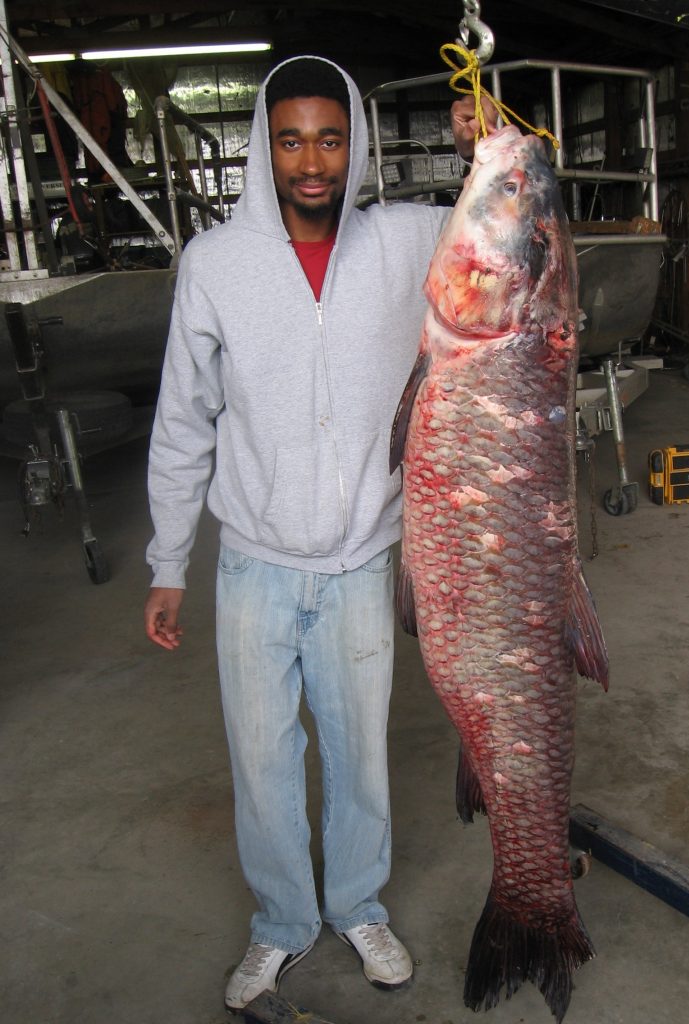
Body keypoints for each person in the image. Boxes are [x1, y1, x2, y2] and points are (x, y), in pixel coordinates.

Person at [144, 54, 492, 1013]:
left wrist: (487, 144)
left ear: (357, 147)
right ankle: (282, 924)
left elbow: (507, 221)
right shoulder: (214, 264)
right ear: (265, 145)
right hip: (255, 561)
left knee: (358, 752)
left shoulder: (409, 238)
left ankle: (357, 903)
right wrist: (168, 562)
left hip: (361, 561)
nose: (311, 162)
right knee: (261, 760)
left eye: (330, 140)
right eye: (290, 139)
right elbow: (182, 420)